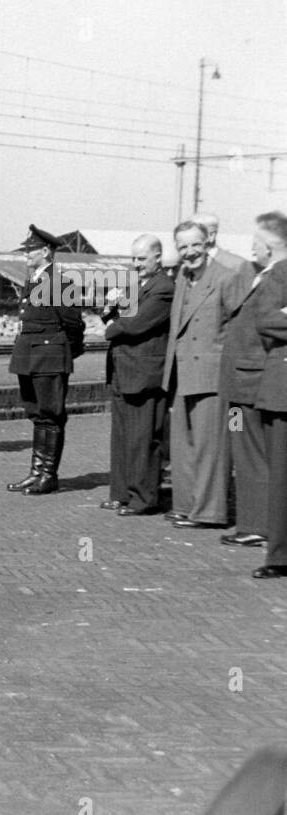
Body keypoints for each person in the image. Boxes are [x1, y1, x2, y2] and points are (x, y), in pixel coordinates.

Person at [164, 219, 245, 530]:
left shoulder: (226, 277)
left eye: (195, 244)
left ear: (207, 243)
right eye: (183, 246)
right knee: (183, 447)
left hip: (212, 375)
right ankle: (186, 505)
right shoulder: (183, 277)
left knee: (211, 447)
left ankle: (210, 512)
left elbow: (239, 328)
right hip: (182, 372)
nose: (190, 252)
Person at [220, 213, 287, 547]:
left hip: (250, 386)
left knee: (251, 455)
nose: (251, 250)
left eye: (254, 244)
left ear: (267, 245)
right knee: (241, 451)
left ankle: (256, 524)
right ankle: (250, 520)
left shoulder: (276, 276)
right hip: (238, 387)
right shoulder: (260, 276)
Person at [5, 225, 86, 495]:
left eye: (30, 249)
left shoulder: (60, 282)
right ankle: (36, 472)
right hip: (30, 355)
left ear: (45, 251)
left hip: (49, 356)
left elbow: (73, 323)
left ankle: (48, 475)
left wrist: (63, 351)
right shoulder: (35, 280)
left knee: (51, 416)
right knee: (38, 415)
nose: (26, 253)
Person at [100, 235, 175, 516]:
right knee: (121, 436)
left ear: (158, 257)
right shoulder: (135, 286)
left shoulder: (164, 288)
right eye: (133, 259)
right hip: (123, 370)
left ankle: (143, 499)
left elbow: (134, 325)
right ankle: (120, 494)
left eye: (142, 259)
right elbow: (114, 316)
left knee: (143, 438)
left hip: (144, 373)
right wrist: (112, 311)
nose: (136, 264)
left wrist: (112, 323)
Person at [251, 220, 287, 580]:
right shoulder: (281, 273)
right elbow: (268, 320)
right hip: (283, 391)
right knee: (282, 477)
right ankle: (280, 555)